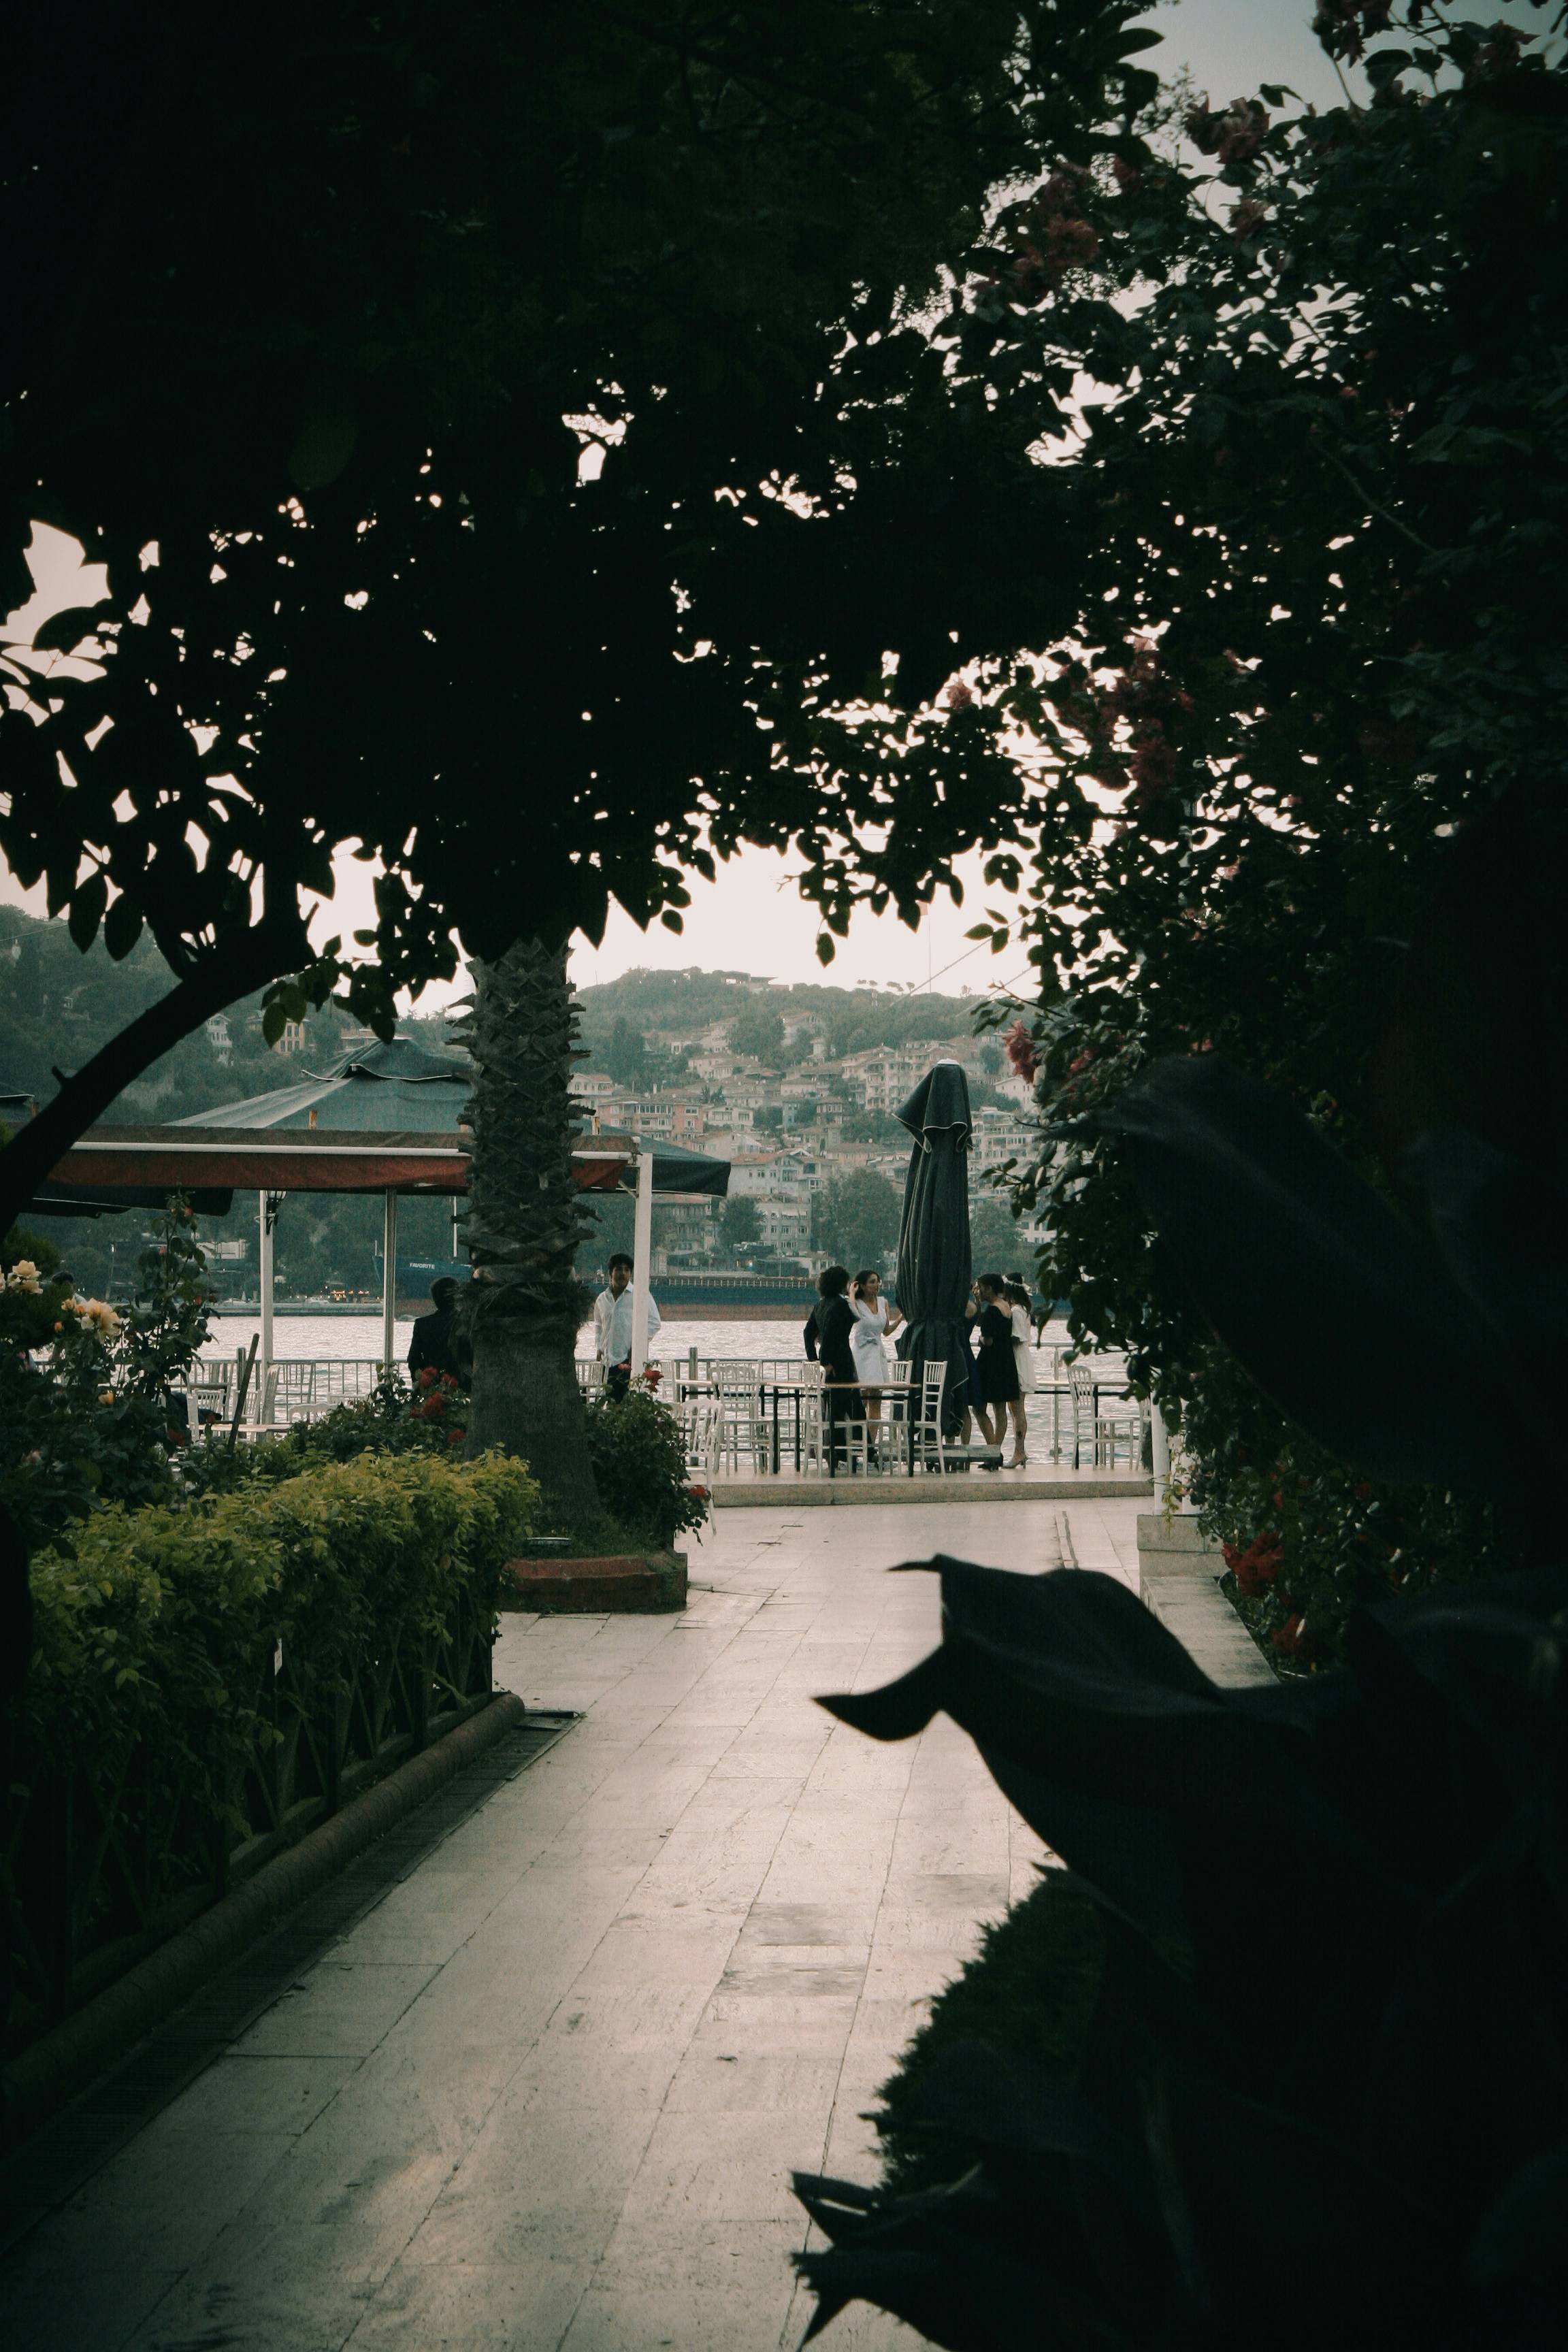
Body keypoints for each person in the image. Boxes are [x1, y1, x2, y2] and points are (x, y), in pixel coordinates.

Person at [804, 1264, 860, 1463]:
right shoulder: (841, 1306)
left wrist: (815, 1361)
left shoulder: (820, 1305)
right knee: (848, 1407)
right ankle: (849, 1452)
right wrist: (826, 1362)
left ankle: (834, 1452)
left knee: (831, 1407)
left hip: (826, 1364)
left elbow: (808, 1333)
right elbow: (829, 1337)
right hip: (842, 1361)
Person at [593, 1251, 662, 1399]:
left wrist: (637, 1345)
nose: (622, 1274)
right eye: (618, 1269)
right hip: (607, 1362)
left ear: (631, 1273)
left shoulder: (639, 1295)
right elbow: (599, 1325)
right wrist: (598, 1346)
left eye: (626, 1270)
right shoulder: (602, 1299)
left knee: (626, 1404)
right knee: (609, 1405)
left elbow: (655, 1322)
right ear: (610, 1273)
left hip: (627, 1360)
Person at [975, 1273, 1025, 1466]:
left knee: (979, 1409)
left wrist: (980, 1340)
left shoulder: (992, 1311)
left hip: (990, 1363)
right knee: (1001, 1411)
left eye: (980, 1287)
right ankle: (995, 1451)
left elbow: (987, 1340)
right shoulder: (1007, 1308)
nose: (979, 1290)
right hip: (1006, 1361)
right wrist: (978, 1303)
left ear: (989, 1288)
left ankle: (993, 1451)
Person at [849, 1269, 903, 1441]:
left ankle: (870, 1445)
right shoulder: (856, 1303)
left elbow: (886, 1331)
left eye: (878, 1281)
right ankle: (857, 1442)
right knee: (861, 1401)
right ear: (863, 1286)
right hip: (861, 1354)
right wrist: (851, 1292)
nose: (876, 1285)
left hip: (876, 1354)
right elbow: (851, 1314)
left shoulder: (883, 1302)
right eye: (872, 1282)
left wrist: (901, 1318)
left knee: (876, 1401)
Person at [408, 1277, 463, 1384]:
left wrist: (422, 1384)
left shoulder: (422, 1324)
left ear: (435, 1299)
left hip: (433, 1386)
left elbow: (413, 1359)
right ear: (457, 1297)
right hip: (463, 1387)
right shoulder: (467, 1324)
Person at [1004, 1276, 1032, 1467]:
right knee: (1017, 1409)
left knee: (1016, 1410)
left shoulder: (1015, 1312)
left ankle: (1019, 1451)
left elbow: (1016, 1338)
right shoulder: (1023, 1310)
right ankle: (1020, 1451)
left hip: (1016, 1362)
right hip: (1022, 1360)